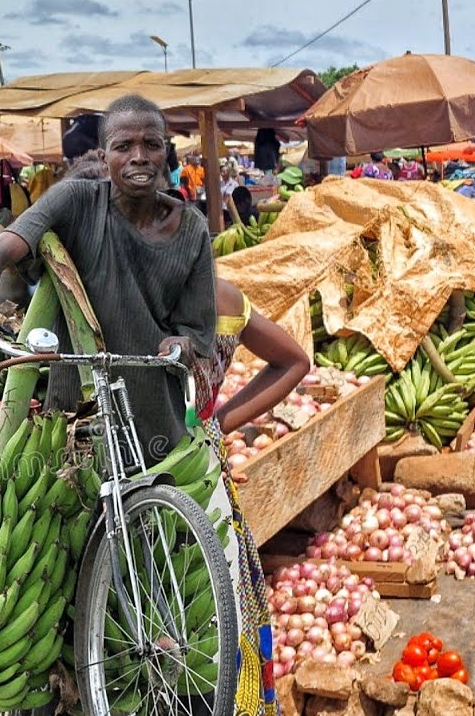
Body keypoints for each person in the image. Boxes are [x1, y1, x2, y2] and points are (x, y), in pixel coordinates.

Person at [0, 94, 216, 467]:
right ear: (104, 155)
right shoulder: (76, 201)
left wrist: (184, 343)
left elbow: (198, 329)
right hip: (74, 417)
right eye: (123, 146)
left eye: (151, 145)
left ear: (164, 153)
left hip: (155, 417)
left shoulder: (191, 228)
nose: (138, 156)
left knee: (157, 516)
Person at [195, 279, 309, 716]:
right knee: (224, 621)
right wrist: (215, 421)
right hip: (205, 484)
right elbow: (295, 361)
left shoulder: (117, 296)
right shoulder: (221, 297)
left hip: (137, 486)